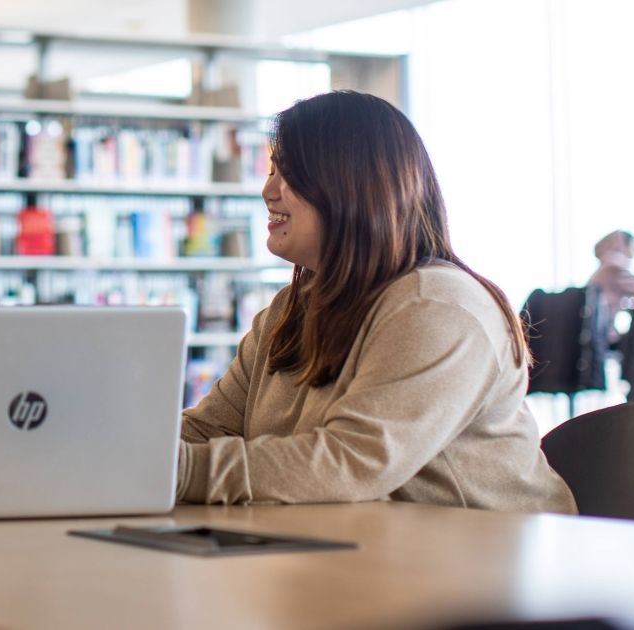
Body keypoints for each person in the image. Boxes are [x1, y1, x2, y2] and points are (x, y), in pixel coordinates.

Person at [177, 91, 575, 513]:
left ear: (350, 182)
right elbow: (209, 430)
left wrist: (173, 471)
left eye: (289, 172)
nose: (268, 190)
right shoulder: (287, 311)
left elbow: (351, 463)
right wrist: (127, 458)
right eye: (272, 170)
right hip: (365, 552)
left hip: (488, 561)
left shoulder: (437, 307)